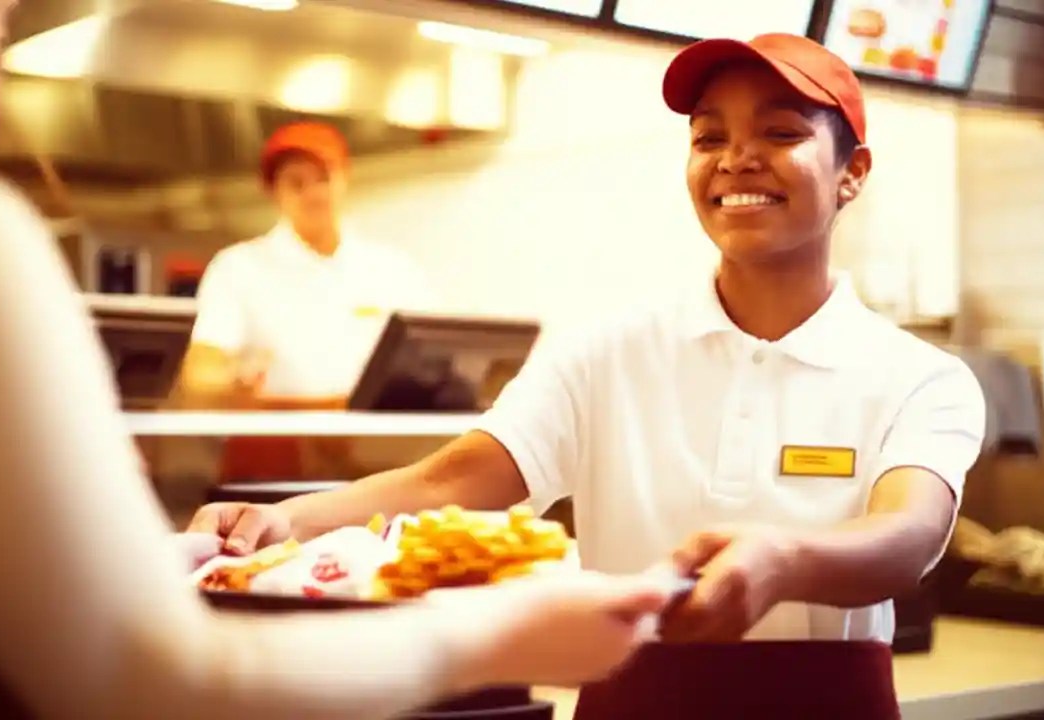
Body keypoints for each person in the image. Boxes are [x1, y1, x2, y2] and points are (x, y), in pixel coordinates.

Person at [0, 1, 672, 717]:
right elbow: (149, 680)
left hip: (336, 493)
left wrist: (153, 559)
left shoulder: (388, 270)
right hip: (272, 471)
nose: (6, 11)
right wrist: (497, 633)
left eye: (321, 178)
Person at [190, 33, 986, 718]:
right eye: (709, 138)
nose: (737, 157)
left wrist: (786, 562)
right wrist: (293, 521)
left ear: (852, 172)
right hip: (632, 701)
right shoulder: (606, 350)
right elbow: (460, 478)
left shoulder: (918, 376)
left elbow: (906, 536)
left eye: (778, 132)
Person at [175, 120, 435, 410]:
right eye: (296, 183)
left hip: (379, 444)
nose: (313, 193)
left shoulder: (393, 270)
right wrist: (231, 382)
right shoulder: (237, 269)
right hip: (274, 444)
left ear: (344, 179)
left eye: (323, 178)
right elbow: (199, 376)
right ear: (274, 192)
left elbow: (436, 356)